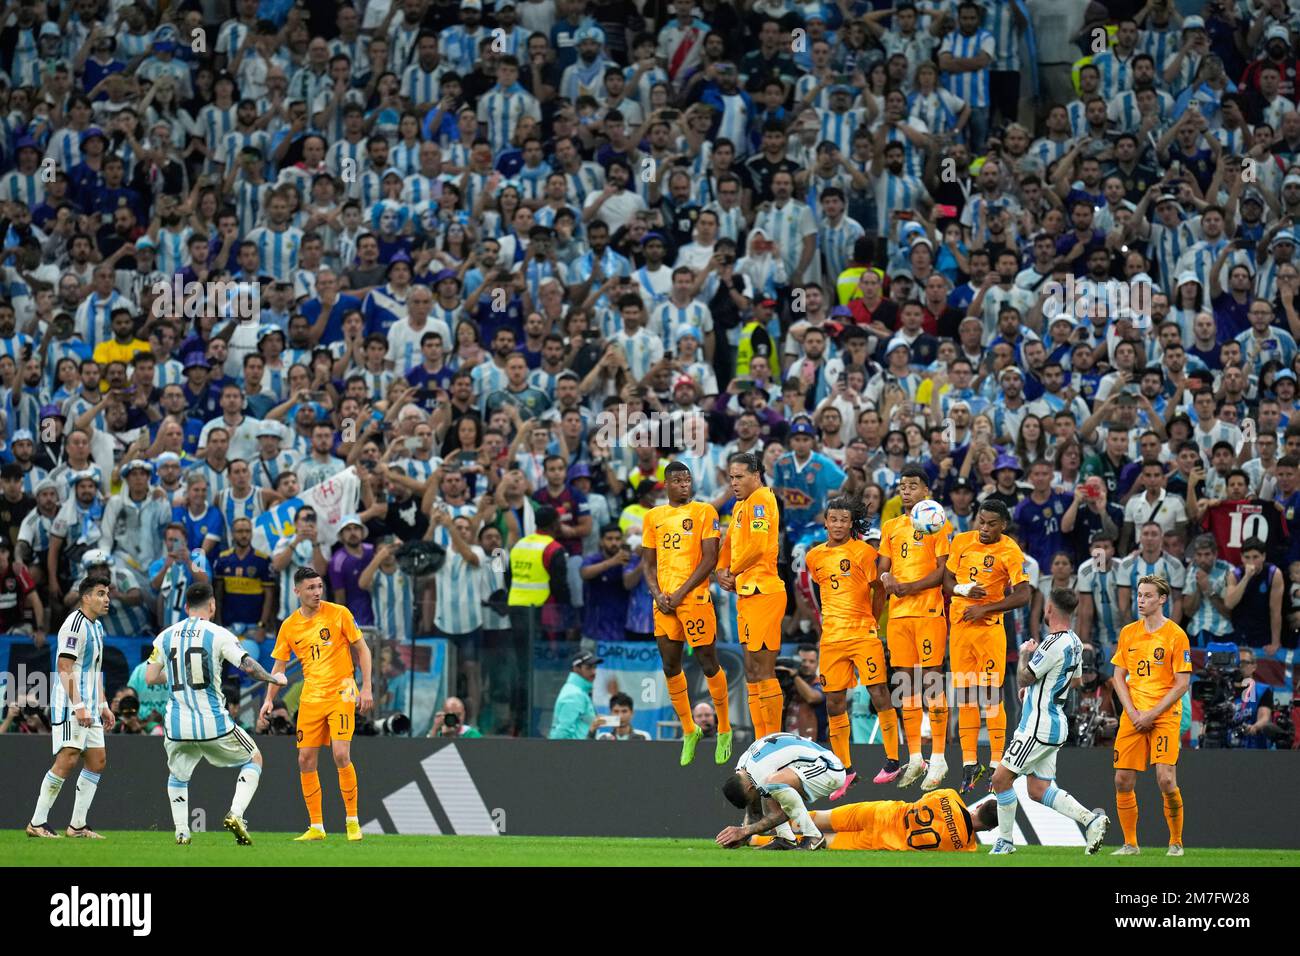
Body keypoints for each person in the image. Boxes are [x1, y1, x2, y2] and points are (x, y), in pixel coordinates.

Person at [145, 582, 287, 845]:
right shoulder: (219, 634)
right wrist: (273, 677)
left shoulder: (164, 636)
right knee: (254, 757)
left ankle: (181, 831)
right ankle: (236, 813)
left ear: (186, 608)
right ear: (212, 605)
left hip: (176, 725)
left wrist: (181, 676)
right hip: (213, 722)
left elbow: (151, 676)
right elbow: (247, 666)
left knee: (178, 775)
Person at [987, 588, 1110, 856]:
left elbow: (1023, 677)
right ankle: (1091, 820)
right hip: (1055, 724)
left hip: (1037, 725)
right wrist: (1034, 691)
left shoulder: (1052, 643)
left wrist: (1024, 654)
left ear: (1050, 610)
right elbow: (1076, 682)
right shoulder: (1076, 643)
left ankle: (1005, 843)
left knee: (1000, 779)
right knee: (1039, 789)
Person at [261, 566, 373, 842]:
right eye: (310, 588)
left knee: (340, 754)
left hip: (343, 689)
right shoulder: (289, 626)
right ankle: (316, 827)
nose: (317, 593)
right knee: (305, 759)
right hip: (311, 694)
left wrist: (367, 686)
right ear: (296, 591)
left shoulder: (339, 613)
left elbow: (362, 648)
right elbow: (279, 667)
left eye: (319, 587)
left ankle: (352, 822)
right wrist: (268, 700)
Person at [641, 460, 731, 765]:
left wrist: (679, 593)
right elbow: (647, 563)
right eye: (678, 481)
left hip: (693, 599)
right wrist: (657, 594)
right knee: (670, 665)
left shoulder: (705, 512)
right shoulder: (653, 517)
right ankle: (689, 730)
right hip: (664, 602)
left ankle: (725, 729)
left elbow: (709, 559)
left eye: (687, 480)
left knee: (707, 662)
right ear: (666, 484)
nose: (684, 485)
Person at [943, 498, 1032, 794]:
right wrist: (962, 589)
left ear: (1003, 525)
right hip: (959, 629)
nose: (983, 528)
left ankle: (996, 762)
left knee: (991, 696)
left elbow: (1023, 595)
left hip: (989, 631)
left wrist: (986, 608)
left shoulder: (1009, 550)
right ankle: (970, 763)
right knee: (966, 693)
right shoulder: (962, 541)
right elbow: (946, 579)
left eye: (991, 524)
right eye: (981, 521)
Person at [804, 497, 890, 796]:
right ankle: (846, 769)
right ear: (825, 522)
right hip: (832, 639)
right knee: (834, 702)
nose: (838, 524)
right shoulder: (813, 556)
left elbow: (878, 589)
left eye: (844, 519)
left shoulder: (866, 553)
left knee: (878, 692)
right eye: (833, 519)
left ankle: (892, 759)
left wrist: (873, 619)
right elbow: (821, 590)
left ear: (851, 523)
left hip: (863, 633)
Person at [878, 463, 952, 789]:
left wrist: (911, 587)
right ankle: (914, 757)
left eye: (912, 485)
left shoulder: (937, 523)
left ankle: (939, 758)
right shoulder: (891, 526)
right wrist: (886, 578)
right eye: (902, 485)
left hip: (929, 612)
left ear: (926, 491)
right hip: (898, 616)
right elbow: (883, 566)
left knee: (931, 682)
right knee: (905, 686)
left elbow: (943, 572)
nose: (905, 490)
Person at [26, 573, 114, 839]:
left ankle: (77, 826)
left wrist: (104, 705)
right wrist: (79, 706)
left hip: (89, 705)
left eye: (107, 593)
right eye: (100, 593)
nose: (106, 598)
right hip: (70, 704)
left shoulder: (97, 627)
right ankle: (37, 822)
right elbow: (64, 667)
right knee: (68, 759)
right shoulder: (74, 625)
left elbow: (95, 671)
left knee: (97, 761)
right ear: (85, 597)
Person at [1110, 575, 1192, 857]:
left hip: (1165, 715)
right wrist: (1132, 712)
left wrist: (1153, 713)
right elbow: (1118, 676)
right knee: (1122, 780)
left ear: (1162, 599)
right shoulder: (1128, 632)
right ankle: (1130, 844)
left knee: (1166, 779)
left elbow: (1182, 683)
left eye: (1147, 596)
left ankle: (1176, 842)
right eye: (1139, 595)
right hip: (1134, 715)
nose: (1141, 600)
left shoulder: (1176, 635)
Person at [717, 451, 786, 739]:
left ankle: (774, 739)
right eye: (731, 477)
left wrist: (730, 570)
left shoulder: (762, 500)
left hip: (764, 591)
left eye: (740, 477)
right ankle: (760, 739)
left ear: (756, 475)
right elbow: (730, 541)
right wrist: (721, 569)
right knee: (750, 669)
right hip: (746, 593)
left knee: (764, 667)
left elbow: (758, 546)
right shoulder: (740, 506)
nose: (734, 482)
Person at [742, 789, 998, 851]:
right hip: (878, 841)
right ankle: (753, 839)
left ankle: (758, 824)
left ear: (980, 805)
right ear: (990, 828)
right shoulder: (966, 847)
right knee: (821, 842)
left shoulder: (951, 797)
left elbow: (923, 799)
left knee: (817, 819)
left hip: (879, 813)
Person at [715, 731, 847, 851]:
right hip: (810, 762)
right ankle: (785, 839)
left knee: (773, 784)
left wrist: (744, 832)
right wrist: (744, 833)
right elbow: (754, 809)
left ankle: (814, 836)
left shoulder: (759, 774)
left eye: (751, 796)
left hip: (829, 768)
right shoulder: (743, 767)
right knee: (770, 788)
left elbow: (780, 815)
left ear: (749, 788)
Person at [548, 651, 602, 739]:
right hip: (575, 751)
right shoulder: (574, 694)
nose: (594, 672)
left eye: (595, 667)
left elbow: (581, 722)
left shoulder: (578, 691)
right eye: (589, 668)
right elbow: (563, 733)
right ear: (576, 669)